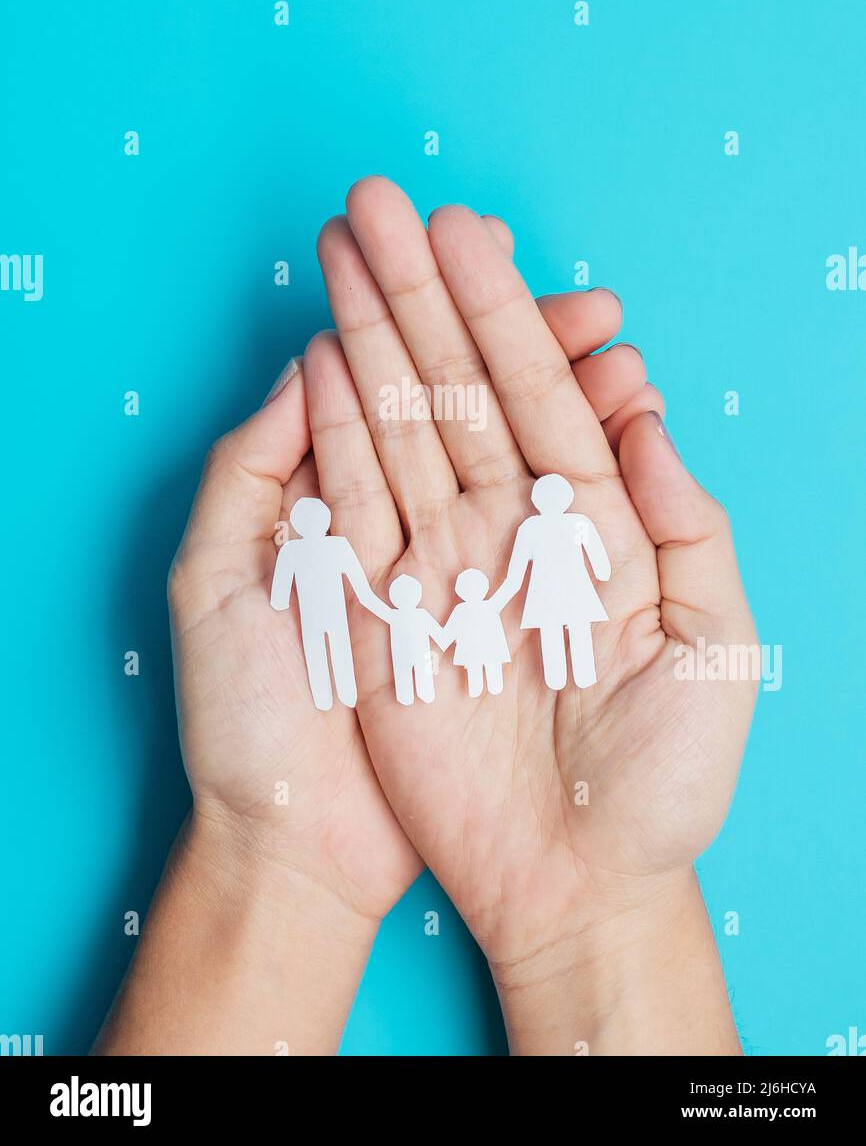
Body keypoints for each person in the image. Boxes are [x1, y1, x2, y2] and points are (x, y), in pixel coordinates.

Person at [95, 178, 757, 1057]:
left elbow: (504, 571)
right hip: (425, 637)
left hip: (509, 624)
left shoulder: (478, 558)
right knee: (368, 663)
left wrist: (605, 911)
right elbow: (360, 587)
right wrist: (276, 846)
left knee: (533, 649)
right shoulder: (350, 560)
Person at [492, 474, 611, 690]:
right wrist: (602, 572)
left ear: (536, 500)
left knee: (552, 634)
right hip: (575, 590)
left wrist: (495, 604)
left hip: (544, 594)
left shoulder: (530, 527)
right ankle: (581, 676)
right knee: (577, 629)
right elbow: (601, 565)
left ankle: (558, 679)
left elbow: (514, 577)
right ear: (567, 497)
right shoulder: (578, 522)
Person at [270, 496, 389, 711]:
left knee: (317, 652)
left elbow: (279, 599)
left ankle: (327, 699)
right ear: (326, 520)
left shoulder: (291, 550)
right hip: (333, 615)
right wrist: (385, 612)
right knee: (338, 648)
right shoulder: (337, 546)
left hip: (313, 616)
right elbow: (362, 589)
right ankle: (344, 695)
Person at [442, 568, 510, 697]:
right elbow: (508, 589)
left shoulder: (463, 609)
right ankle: (484, 688)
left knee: (483, 670)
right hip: (483, 649)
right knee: (483, 670)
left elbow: (448, 633)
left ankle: (483, 688)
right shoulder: (490, 605)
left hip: (479, 649)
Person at [381, 573, 445, 705]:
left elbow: (438, 634)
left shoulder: (395, 615)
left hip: (415, 655)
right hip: (410, 655)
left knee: (415, 680)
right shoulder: (400, 615)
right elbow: (440, 634)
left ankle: (415, 695)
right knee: (411, 680)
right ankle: (413, 696)